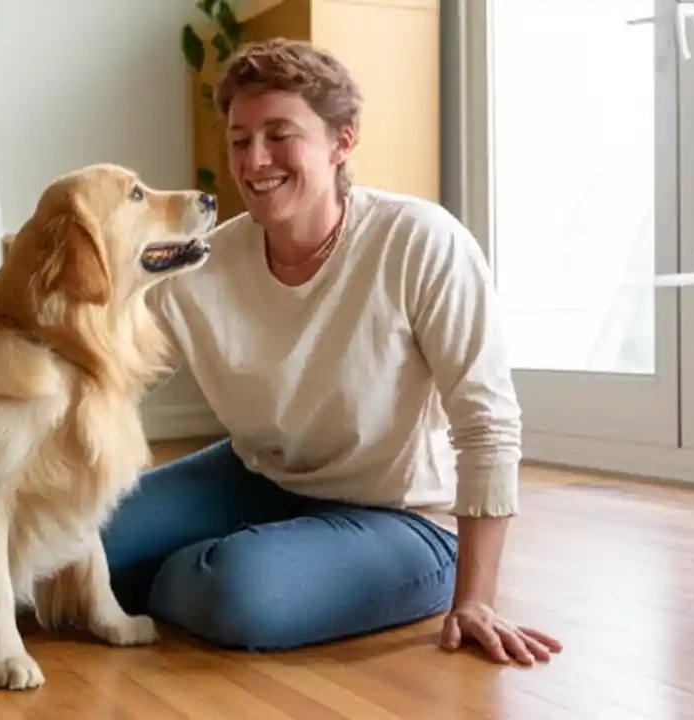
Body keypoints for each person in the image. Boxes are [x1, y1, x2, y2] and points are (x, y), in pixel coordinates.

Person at [100, 38, 562, 665]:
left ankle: (193, 570)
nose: (255, 160)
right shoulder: (201, 266)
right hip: (257, 476)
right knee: (78, 541)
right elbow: (109, 375)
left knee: (231, 593)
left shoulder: (421, 241)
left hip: (401, 514)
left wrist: (476, 598)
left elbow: (488, 423)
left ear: (343, 141)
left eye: (280, 135)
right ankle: (184, 565)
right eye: (239, 140)